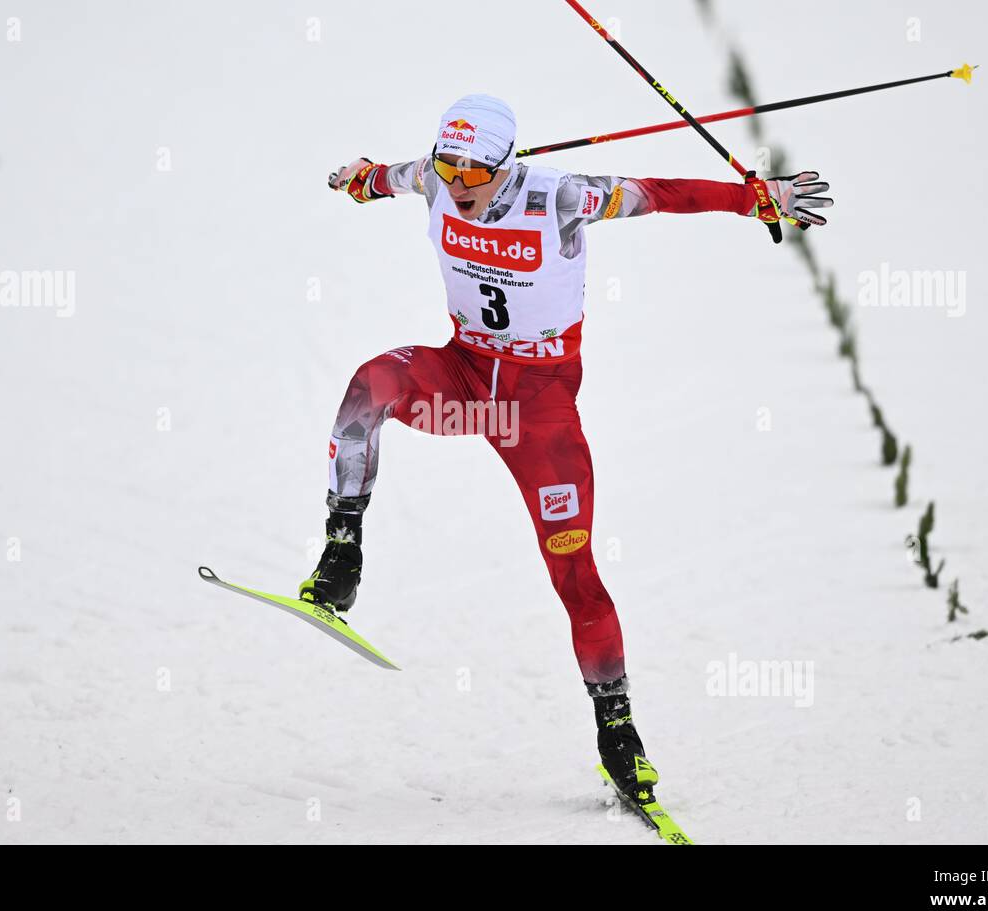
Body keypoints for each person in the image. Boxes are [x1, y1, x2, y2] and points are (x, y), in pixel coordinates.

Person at [308, 93, 832, 799]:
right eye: (449, 169)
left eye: (474, 175)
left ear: (506, 164)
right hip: (461, 384)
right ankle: (343, 551)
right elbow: (384, 181)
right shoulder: (434, 178)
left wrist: (754, 199)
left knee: (575, 574)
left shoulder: (562, 199)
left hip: (537, 412)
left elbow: (663, 194)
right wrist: (360, 179)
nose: (458, 188)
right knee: (364, 395)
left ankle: (617, 732)